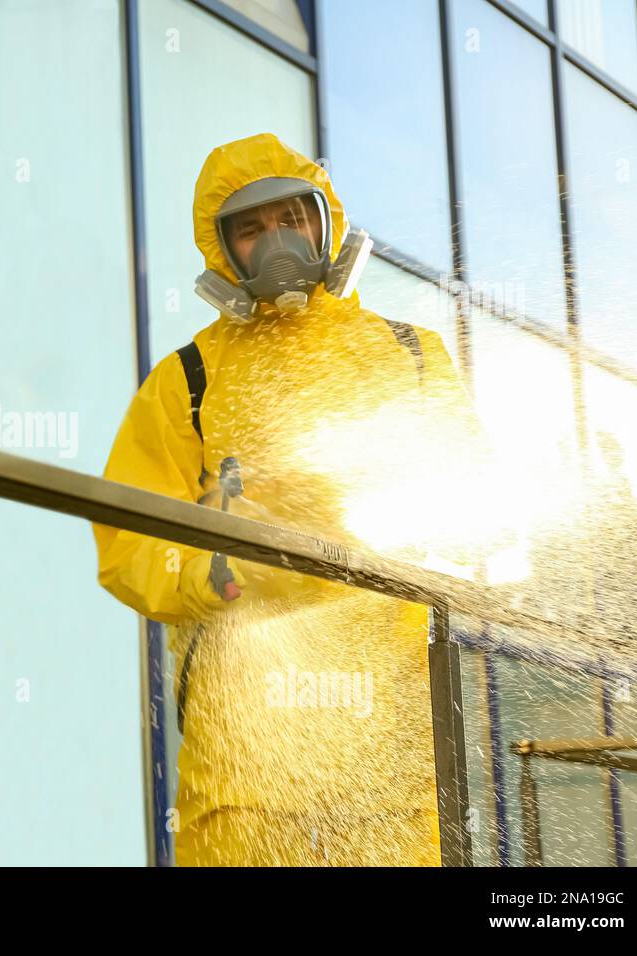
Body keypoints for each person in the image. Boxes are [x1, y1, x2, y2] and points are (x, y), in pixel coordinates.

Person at [92, 133, 496, 866]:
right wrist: (210, 572)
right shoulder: (186, 382)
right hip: (244, 760)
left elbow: (479, 507)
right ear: (223, 251)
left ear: (325, 221)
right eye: (250, 228)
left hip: (388, 754)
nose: (277, 240)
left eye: (291, 218)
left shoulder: (413, 354)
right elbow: (128, 541)